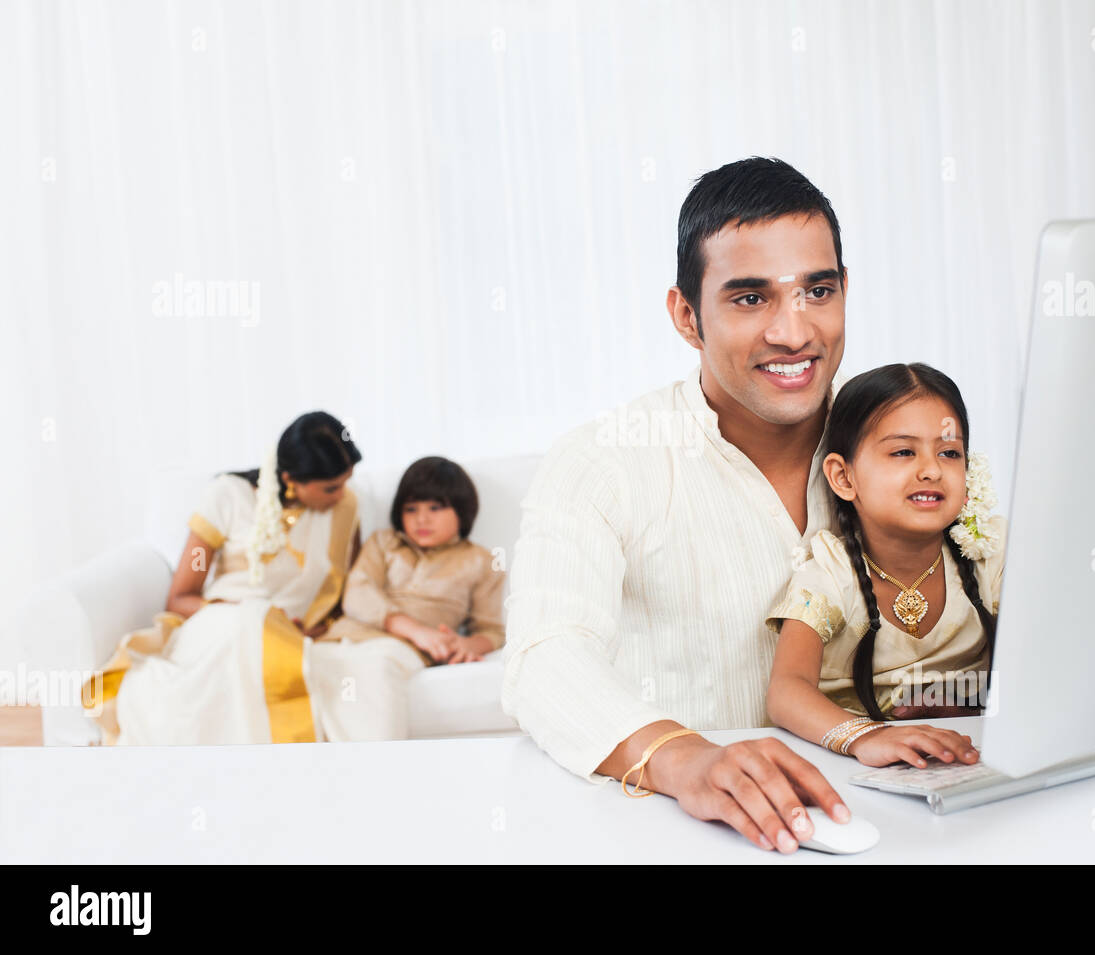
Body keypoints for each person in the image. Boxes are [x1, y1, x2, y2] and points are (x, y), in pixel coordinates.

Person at [503, 157, 858, 854]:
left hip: (883, 826)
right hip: (682, 838)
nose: (794, 331)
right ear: (686, 316)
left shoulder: (904, 449)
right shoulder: (603, 460)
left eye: (817, 290)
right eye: (751, 298)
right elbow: (544, 659)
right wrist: (684, 758)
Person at [84, 411, 411, 744]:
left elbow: (345, 595)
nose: (341, 494)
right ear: (290, 479)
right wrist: (251, 618)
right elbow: (181, 597)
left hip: (296, 640)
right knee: (248, 625)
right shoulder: (227, 495)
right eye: (331, 487)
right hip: (223, 627)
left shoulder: (346, 509)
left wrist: (309, 629)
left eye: (346, 482)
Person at [765, 363, 1004, 766]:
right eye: (903, 452)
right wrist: (866, 738)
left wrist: (973, 705)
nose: (931, 470)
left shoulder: (989, 554)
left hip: (967, 757)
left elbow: (1050, 663)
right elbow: (786, 693)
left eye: (949, 452)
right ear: (843, 477)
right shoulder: (831, 572)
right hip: (850, 767)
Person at [323, 455, 505, 666]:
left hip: (400, 650)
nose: (421, 519)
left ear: (462, 510)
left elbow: (491, 630)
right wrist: (415, 630)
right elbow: (357, 592)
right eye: (411, 509)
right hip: (344, 636)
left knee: (375, 666)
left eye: (435, 508)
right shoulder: (383, 542)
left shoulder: (481, 561)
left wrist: (468, 645)